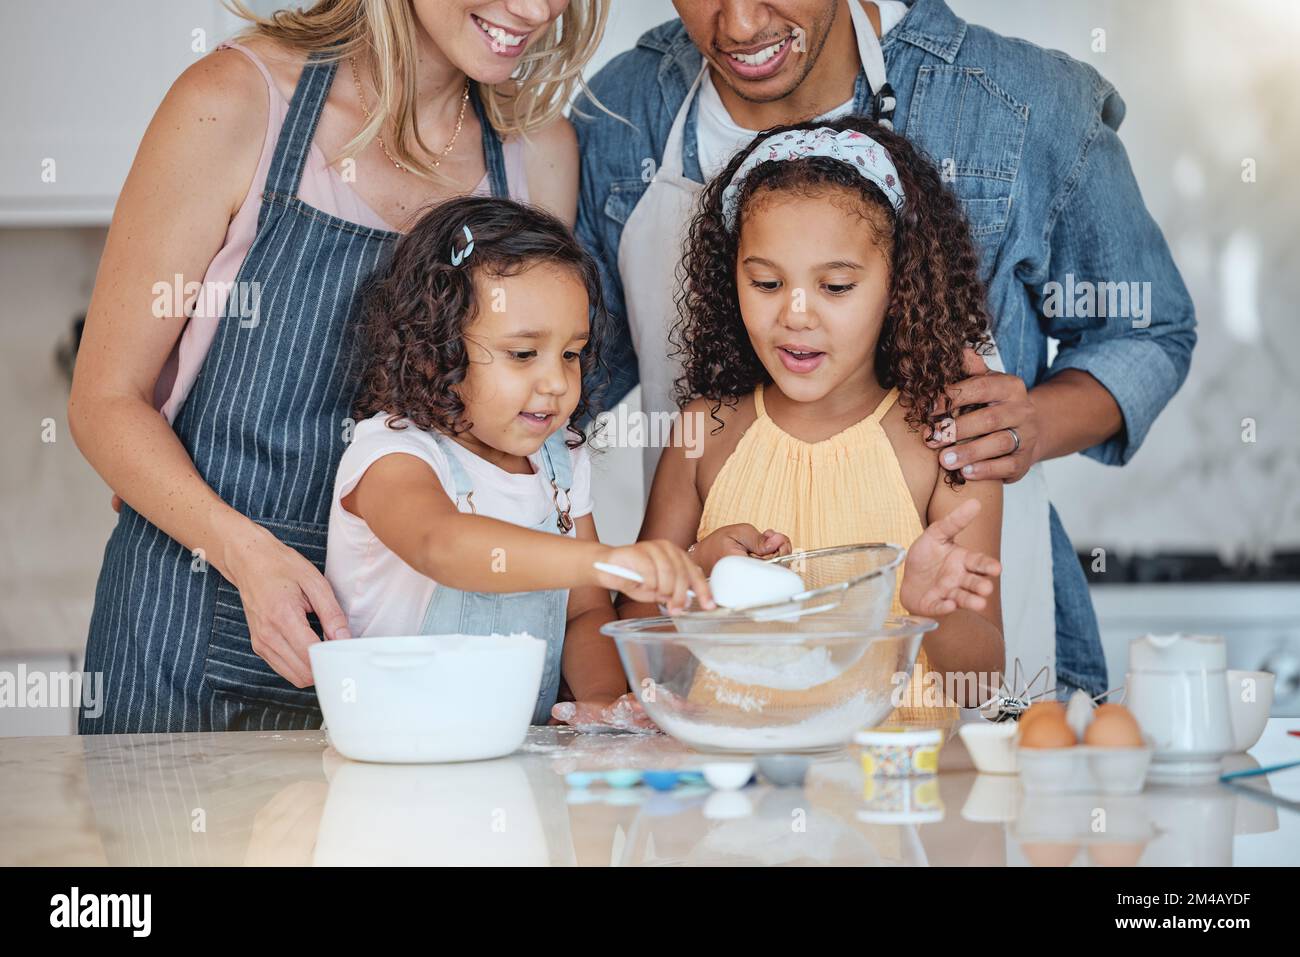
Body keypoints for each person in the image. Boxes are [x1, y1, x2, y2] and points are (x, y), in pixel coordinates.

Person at [572, 0, 1196, 699]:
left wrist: (1035, 423)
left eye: (837, 283)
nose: (741, 25)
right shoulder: (619, 115)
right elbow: (556, 387)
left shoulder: (1017, 105)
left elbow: (1148, 331)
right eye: (766, 281)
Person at [70, 0, 611, 733]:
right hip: (189, 640)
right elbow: (106, 400)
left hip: (414, 695)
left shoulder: (538, 152)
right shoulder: (234, 104)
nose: (534, 9)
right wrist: (249, 557)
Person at [621, 118, 1004, 721]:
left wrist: (933, 610)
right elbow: (633, 637)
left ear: (899, 284)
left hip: (894, 795)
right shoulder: (704, 431)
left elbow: (979, 687)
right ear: (732, 279)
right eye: (767, 282)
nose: (797, 315)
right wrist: (696, 572)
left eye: (836, 286)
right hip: (736, 793)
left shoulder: (947, 444)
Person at [327, 196, 714, 729]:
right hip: (394, 758)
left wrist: (602, 703)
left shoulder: (560, 463)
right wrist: (603, 560)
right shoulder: (392, 453)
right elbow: (443, 545)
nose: (557, 382)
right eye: (524, 354)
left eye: (571, 354)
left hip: (508, 753)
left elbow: (585, 612)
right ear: (434, 353)